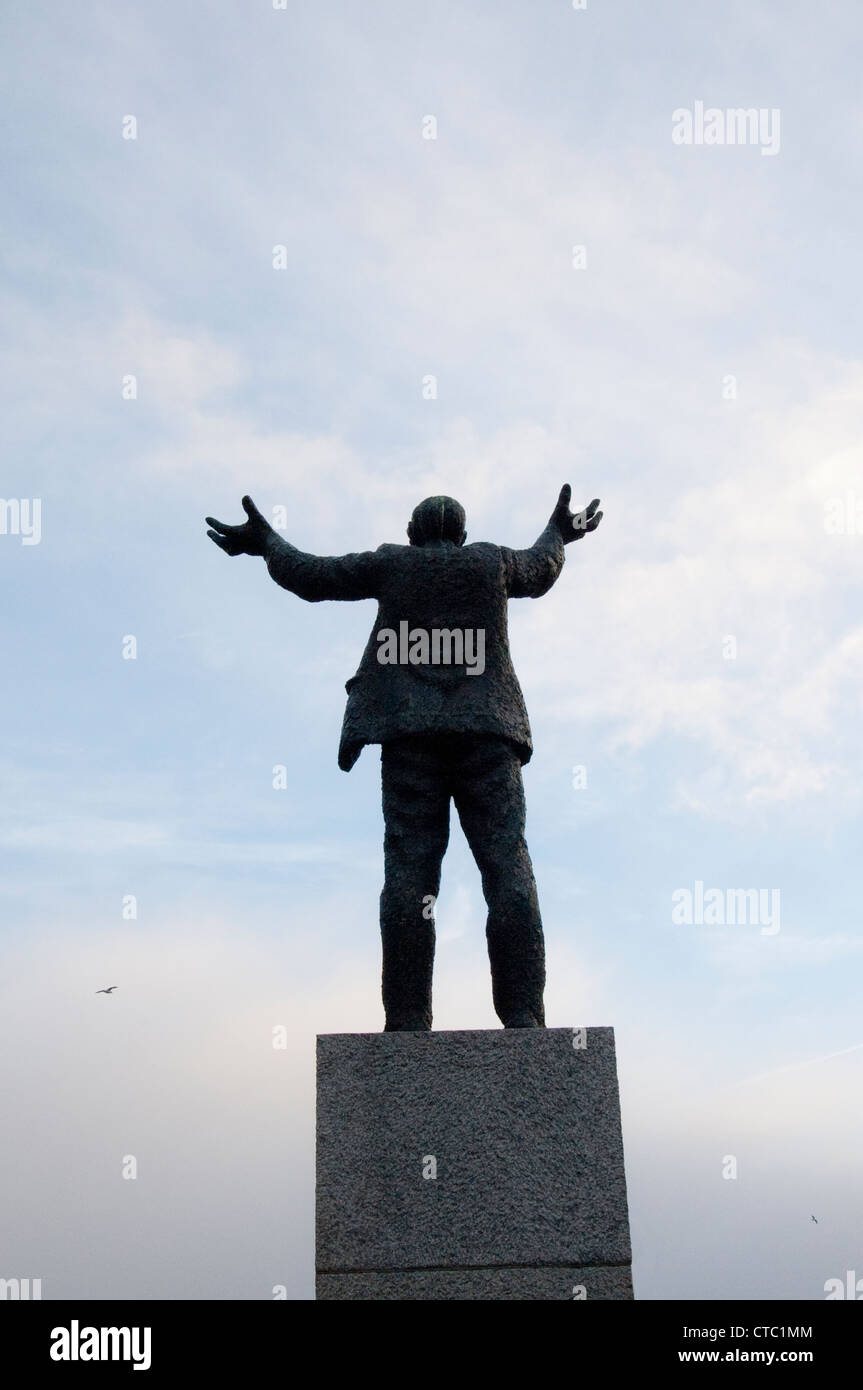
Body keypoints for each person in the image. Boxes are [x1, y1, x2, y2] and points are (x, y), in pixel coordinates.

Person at [206, 485, 602, 1030]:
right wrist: (561, 530)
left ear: (414, 535)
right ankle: (524, 1017)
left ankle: (408, 1019)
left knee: (410, 879)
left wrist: (266, 541)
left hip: (410, 735)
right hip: (486, 733)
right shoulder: (490, 563)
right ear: (460, 535)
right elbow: (541, 568)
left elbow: (313, 577)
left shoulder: (394, 564)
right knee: (508, 869)